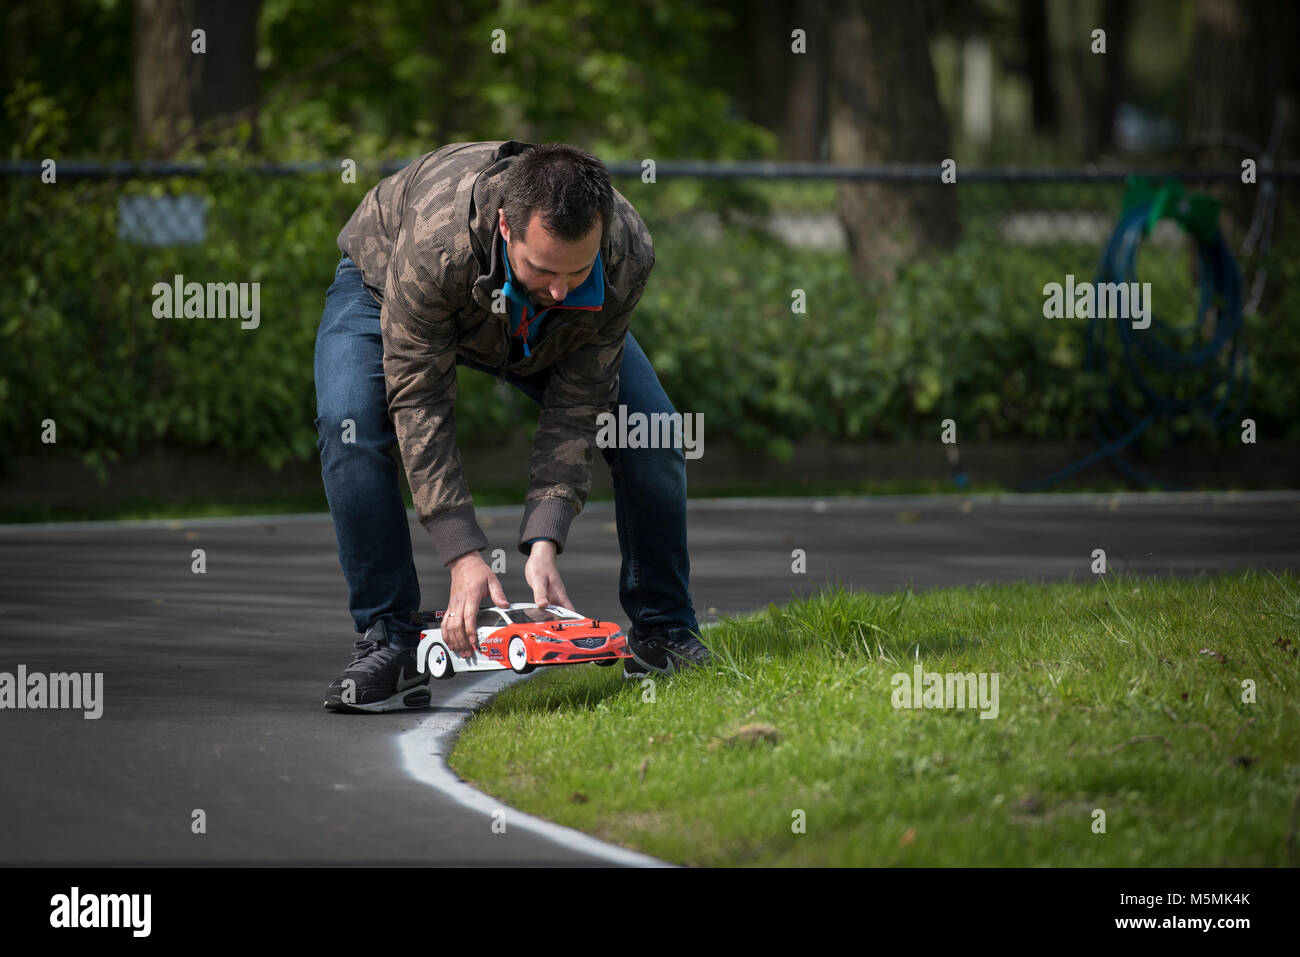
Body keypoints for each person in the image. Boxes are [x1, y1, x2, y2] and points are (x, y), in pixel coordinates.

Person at [314, 140, 712, 713]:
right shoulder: (437, 243)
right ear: (506, 226)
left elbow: (580, 401)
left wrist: (545, 537)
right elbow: (420, 400)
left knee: (651, 431)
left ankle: (665, 633)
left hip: (527, 324)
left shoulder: (626, 251)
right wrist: (462, 553)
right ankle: (389, 642)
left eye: (578, 272)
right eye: (545, 269)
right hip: (386, 285)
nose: (560, 290)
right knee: (348, 425)